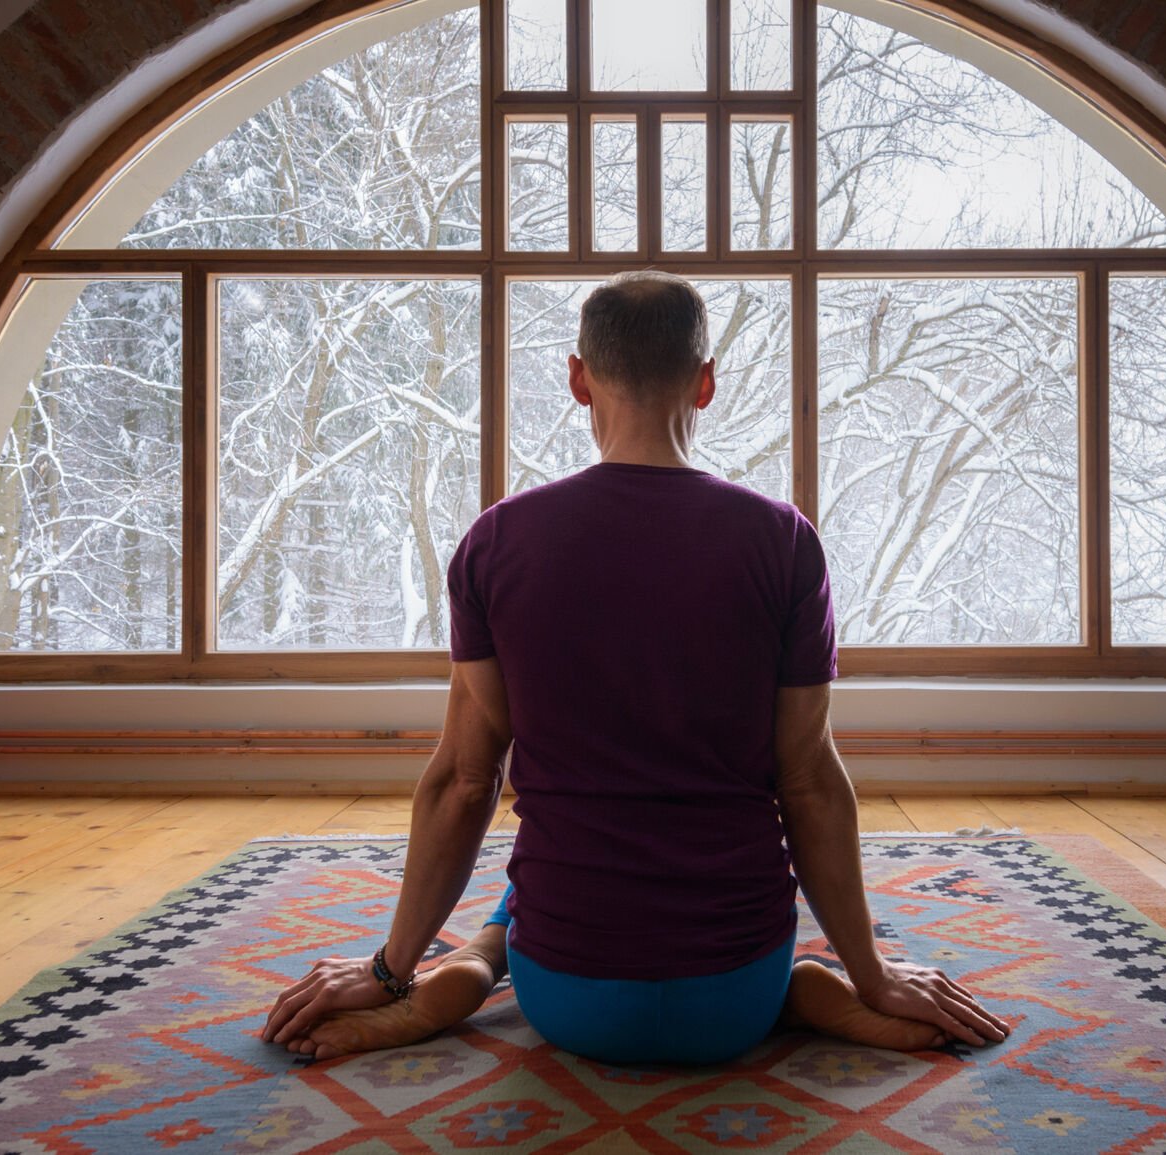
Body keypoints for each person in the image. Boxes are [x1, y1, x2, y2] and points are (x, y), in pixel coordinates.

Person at [261, 271, 1012, 1064]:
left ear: (578, 379)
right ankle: (813, 986)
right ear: (707, 381)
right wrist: (875, 972)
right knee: (742, 916)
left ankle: (461, 975)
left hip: (566, 992)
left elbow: (461, 780)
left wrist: (388, 968)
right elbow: (809, 781)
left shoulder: (496, 542)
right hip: (735, 991)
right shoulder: (784, 543)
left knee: (525, 889)